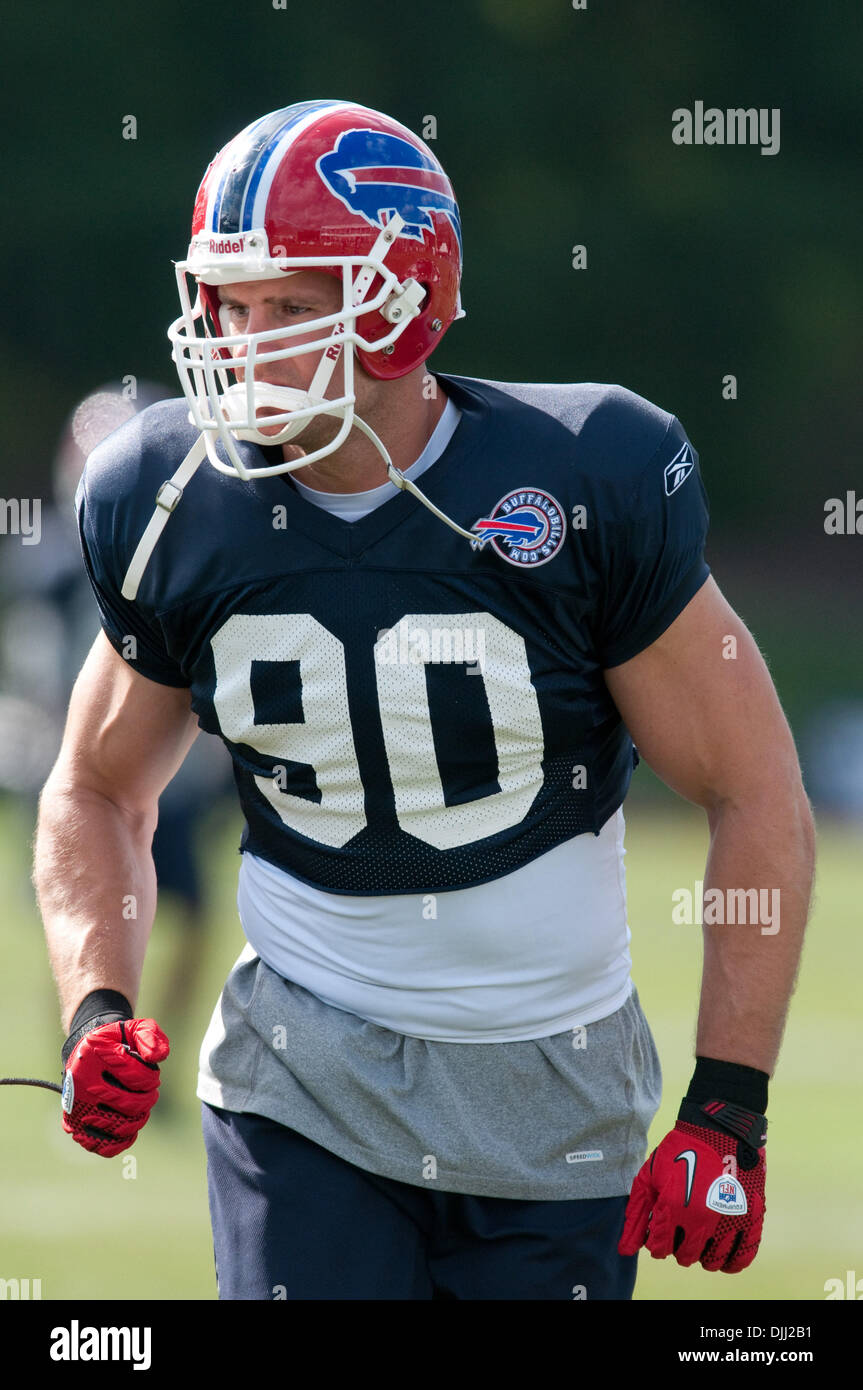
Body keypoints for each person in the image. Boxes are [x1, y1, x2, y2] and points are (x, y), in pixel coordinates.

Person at [34, 100, 815, 1301]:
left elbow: (750, 786)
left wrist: (728, 1103)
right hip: (300, 1073)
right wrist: (95, 1003)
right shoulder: (170, 496)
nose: (242, 345)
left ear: (400, 304)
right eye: (229, 305)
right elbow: (93, 786)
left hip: (551, 1083)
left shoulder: (581, 479)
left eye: (291, 309)